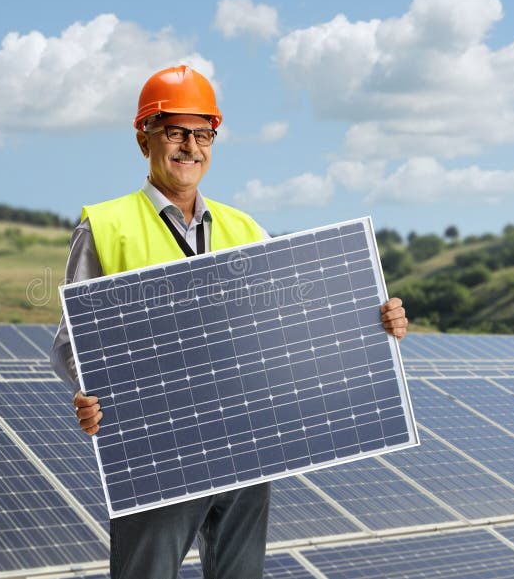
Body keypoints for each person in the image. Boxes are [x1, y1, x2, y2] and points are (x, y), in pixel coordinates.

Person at [51, 65, 408, 579]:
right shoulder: (107, 227)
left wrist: (374, 321)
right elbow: (71, 342)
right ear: (143, 137)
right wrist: (95, 392)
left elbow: (299, 318)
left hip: (246, 443)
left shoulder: (245, 229)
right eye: (174, 131)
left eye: (203, 134)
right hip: (157, 447)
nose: (190, 146)